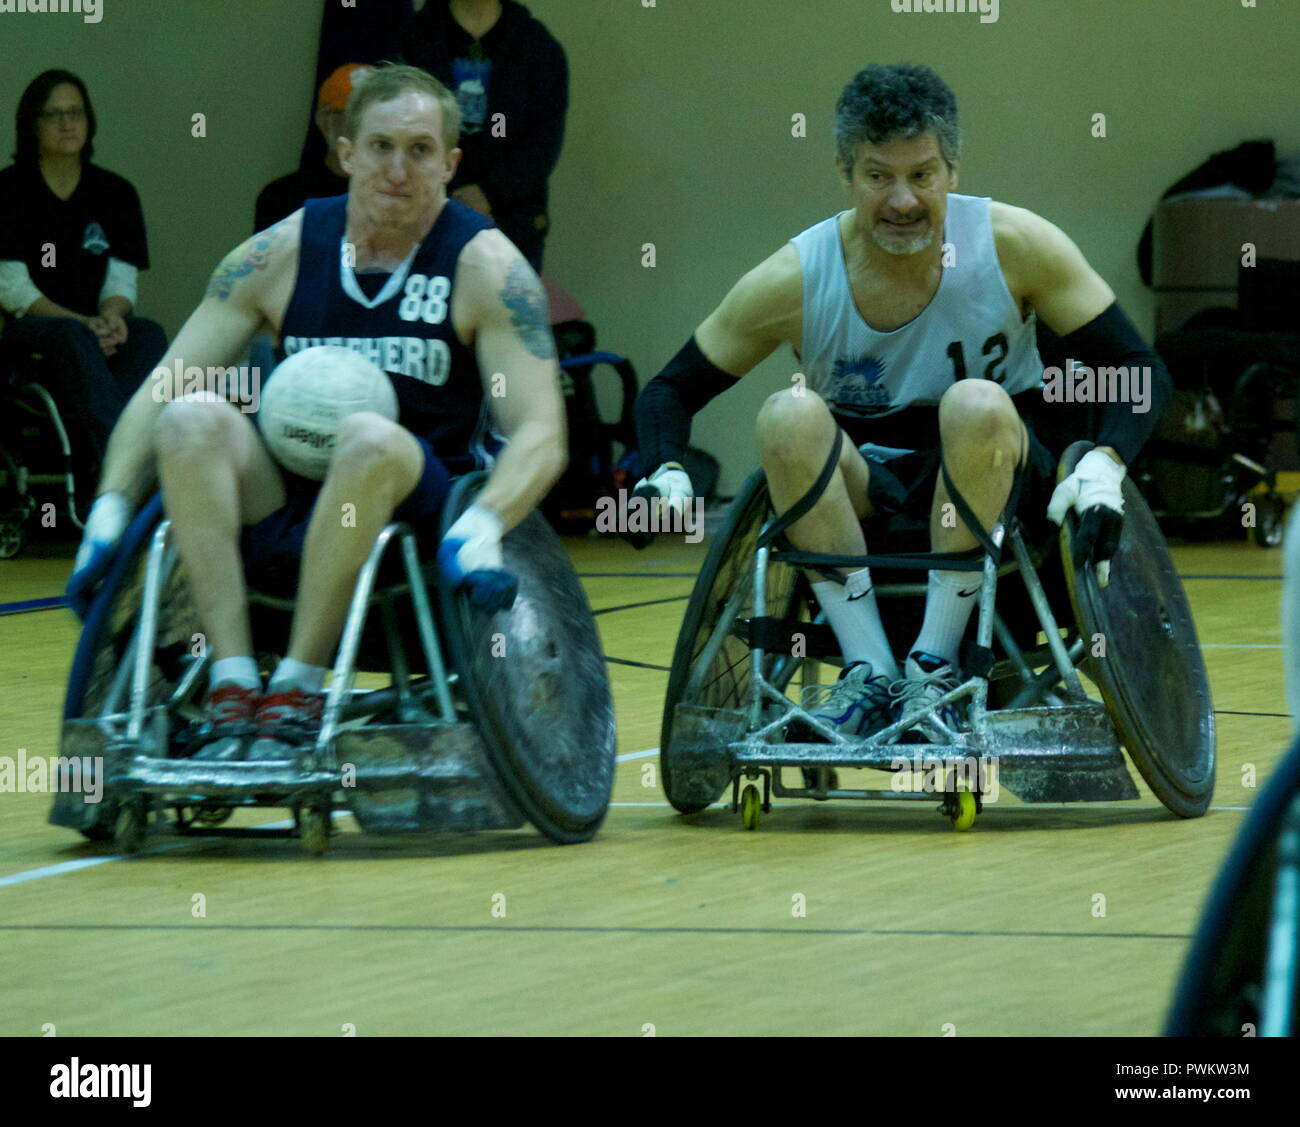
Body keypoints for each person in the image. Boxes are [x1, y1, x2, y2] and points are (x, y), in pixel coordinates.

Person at [634, 64, 1172, 741]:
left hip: (998, 469)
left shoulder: (1015, 245)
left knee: (973, 401)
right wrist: (667, 470)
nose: (903, 200)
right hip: (868, 484)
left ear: (953, 169)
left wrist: (1104, 465)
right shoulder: (796, 277)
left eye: (922, 175)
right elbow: (669, 388)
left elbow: (1137, 365)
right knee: (786, 414)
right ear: (843, 172)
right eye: (878, 176)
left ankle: (933, 668)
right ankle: (870, 673)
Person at [68, 64, 566, 761]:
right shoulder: (278, 252)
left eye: (420, 150)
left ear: (450, 164)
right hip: (287, 503)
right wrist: (112, 505)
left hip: (417, 518)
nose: (398, 167)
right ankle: (235, 682)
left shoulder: (489, 267)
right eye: (381, 146)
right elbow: (163, 384)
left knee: (366, 436)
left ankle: (298, 686)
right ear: (346, 153)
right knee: (190, 418)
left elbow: (542, 432)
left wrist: (486, 521)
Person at [0, 69, 166, 482]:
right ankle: (127, 471)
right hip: (32, 333)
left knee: (147, 334)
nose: (66, 123)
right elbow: (13, 290)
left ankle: (112, 459)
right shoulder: (8, 191)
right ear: (31, 125)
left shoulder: (115, 193)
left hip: (94, 330)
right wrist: (83, 325)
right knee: (72, 338)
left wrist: (111, 317)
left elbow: (121, 281)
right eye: (52, 114)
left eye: (75, 112)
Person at [394, 0, 568, 272]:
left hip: (512, 228)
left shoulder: (538, 47)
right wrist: (452, 194)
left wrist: (490, 193)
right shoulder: (412, 37)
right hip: (423, 220)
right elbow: (399, 127)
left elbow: (543, 142)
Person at [253, 63, 371, 233]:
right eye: (355, 117)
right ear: (326, 119)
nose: (368, 129)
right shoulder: (282, 198)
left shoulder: (393, 196)